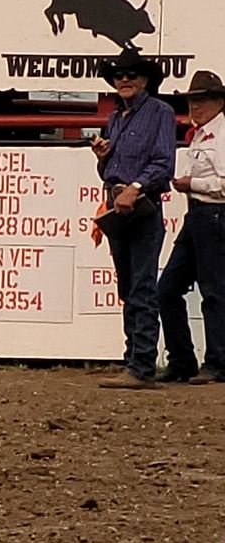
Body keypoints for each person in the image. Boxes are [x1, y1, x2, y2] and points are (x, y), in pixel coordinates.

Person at [93, 51, 177, 389]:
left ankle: (140, 365)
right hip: (120, 205)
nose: (124, 80)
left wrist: (135, 187)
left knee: (141, 284)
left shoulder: (160, 112)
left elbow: (163, 164)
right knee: (129, 286)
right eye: (119, 75)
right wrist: (103, 161)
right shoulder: (115, 118)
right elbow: (111, 170)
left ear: (144, 80)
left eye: (131, 75)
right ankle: (135, 360)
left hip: (142, 206)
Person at [160, 70, 225, 385]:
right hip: (200, 214)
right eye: (192, 100)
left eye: (201, 100)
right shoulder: (202, 133)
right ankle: (185, 361)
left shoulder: (220, 134)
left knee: (213, 290)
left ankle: (215, 362)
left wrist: (191, 183)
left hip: (214, 213)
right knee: (169, 288)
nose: (195, 106)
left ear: (218, 102)